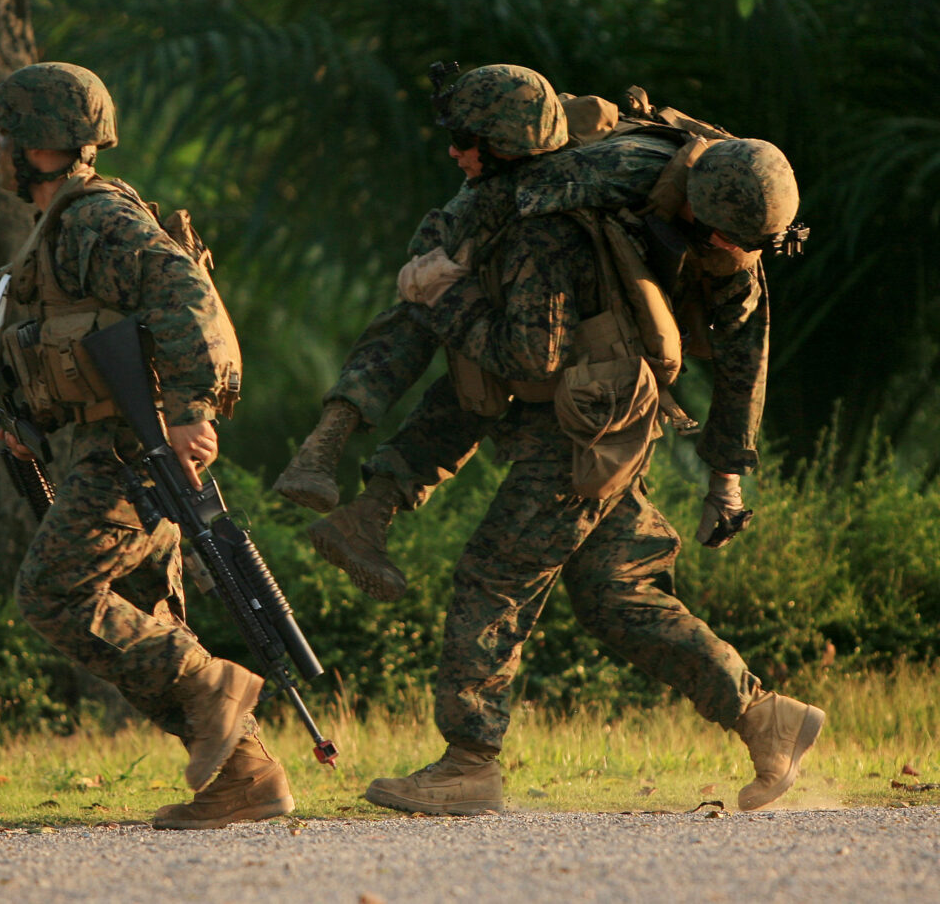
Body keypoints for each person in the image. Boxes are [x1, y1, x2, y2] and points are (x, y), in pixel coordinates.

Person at [294, 63, 823, 815]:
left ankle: (469, 763)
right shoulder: (594, 178)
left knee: (495, 574)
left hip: (589, 421)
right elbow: (499, 202)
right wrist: (447, 262)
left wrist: (726, 478)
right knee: (616, 594)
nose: (724, 250)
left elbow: (743, 358)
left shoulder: (736, 241)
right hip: (595, 408)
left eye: (739, 244)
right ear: (698, 205)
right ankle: (768, 720)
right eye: (716, 236)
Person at [0, 62, 292, 830]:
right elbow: (75, 342)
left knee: (52, 592)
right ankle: (247, 777)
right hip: (112, 443)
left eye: (4, 137)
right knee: (150, 615)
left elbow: (182, 292)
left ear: (38, 144)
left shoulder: (94, 218)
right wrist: (28, 420)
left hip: (132, 449)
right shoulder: (63, 225)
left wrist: (188, 410)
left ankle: (216, 686)